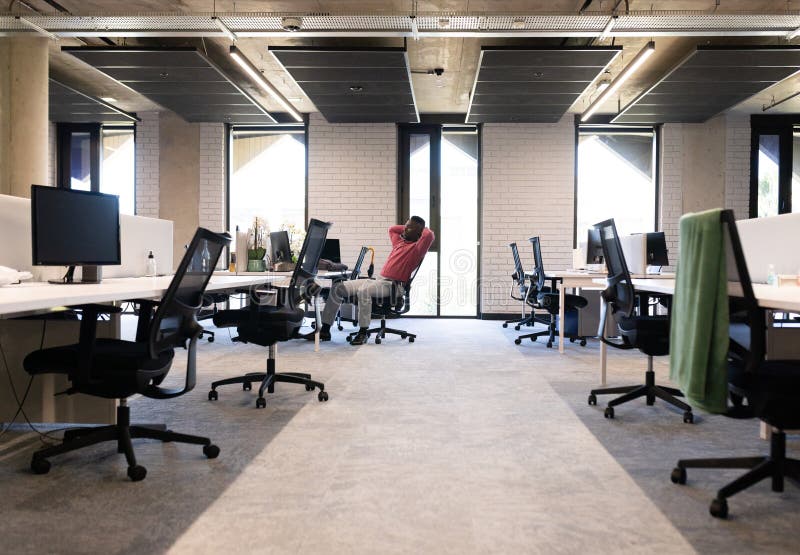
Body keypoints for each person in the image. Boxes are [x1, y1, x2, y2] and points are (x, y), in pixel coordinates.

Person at [309, 216, 434, 345]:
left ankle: (363, 332)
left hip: (393, 286)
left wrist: (419, 228)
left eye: (410, 228)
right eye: (405, 226)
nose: (405, 229)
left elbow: (429, 235)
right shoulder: (399, 243)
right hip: (378, 281)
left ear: (419, 234)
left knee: (364, 291)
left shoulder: (417, 249)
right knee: (338, 288)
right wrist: (409, 227)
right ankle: (325, 330)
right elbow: (392, 229)